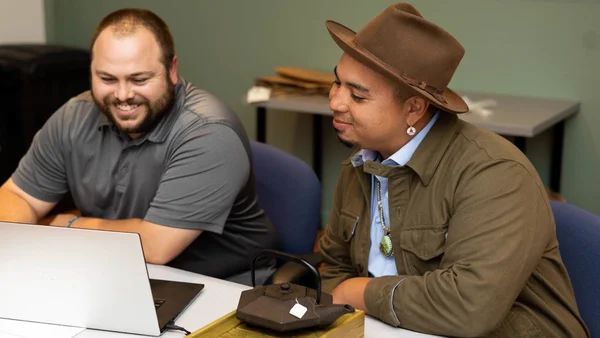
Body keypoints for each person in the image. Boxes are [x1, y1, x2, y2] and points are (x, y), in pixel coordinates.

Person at [318, 2, 589, 337]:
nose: (335, 102)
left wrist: (356, 293)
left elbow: (469, 307)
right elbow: (334, 266)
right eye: (337, 83)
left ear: (414, 108)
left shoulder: (494, 173)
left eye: (358, 96)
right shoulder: (362, 162)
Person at [0, 8, 279, 283]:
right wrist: (22, 244)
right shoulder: (74, 116)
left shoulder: (209, 132)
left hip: (222, 286)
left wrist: (72, 225)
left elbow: (155, 246)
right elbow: (17, 196)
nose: (122, 95)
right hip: (116, 273)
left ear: (171, 70)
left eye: (139, 79)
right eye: (107, 78)